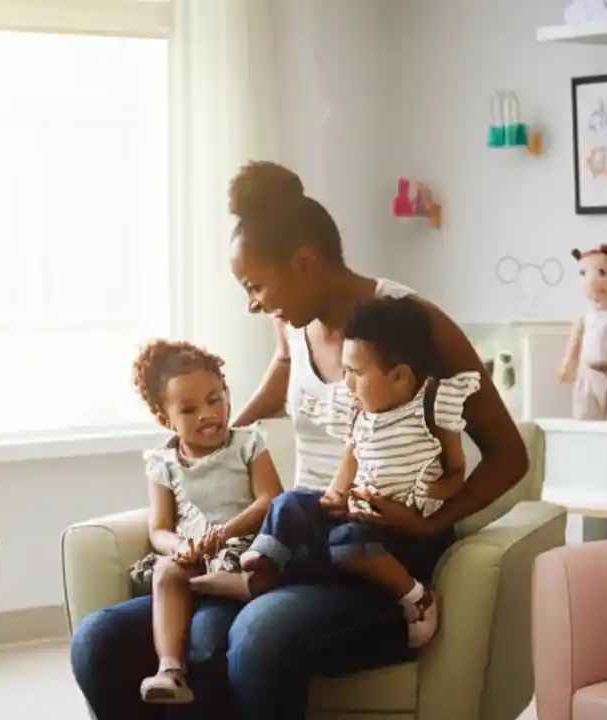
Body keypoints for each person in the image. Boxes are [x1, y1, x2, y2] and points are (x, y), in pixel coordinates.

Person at [69, 161, 529, 720]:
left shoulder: (410, 325)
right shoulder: (295, 325)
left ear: (305, 264)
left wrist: (431, 521)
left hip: (375, 556)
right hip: (297, 542)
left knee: (251, 634)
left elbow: (510, 455)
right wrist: (216, 437)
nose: (253, 303)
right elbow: (284, 378)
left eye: (256, 286)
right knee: (98, 639)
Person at [190, 295, 480, 649]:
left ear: (400, 377)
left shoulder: (432, 410)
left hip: (407, 529)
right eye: (344, 371)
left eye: (355, 373)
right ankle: (260, 572)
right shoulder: (361, 413)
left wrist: (422, 506)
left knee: (346, 543)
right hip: (364, 511)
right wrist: (336, 493)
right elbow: (352, 456)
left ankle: (415, 595)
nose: (347, 383)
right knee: (291, 503)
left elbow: (456, 471)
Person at [127, 340, 280, 704]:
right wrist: (182, 547)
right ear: (166, 419)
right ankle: (169, 670)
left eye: (215, 399)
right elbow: (159, 529)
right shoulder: (162, 464)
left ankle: (238, 583)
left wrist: (223, 535)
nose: (207, 414)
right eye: (189, 409)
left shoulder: (248, 443)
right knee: (166, 573)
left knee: (252, 560)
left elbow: (271, 499)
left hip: (242, 542)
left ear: (227, 394)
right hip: (195, 552)